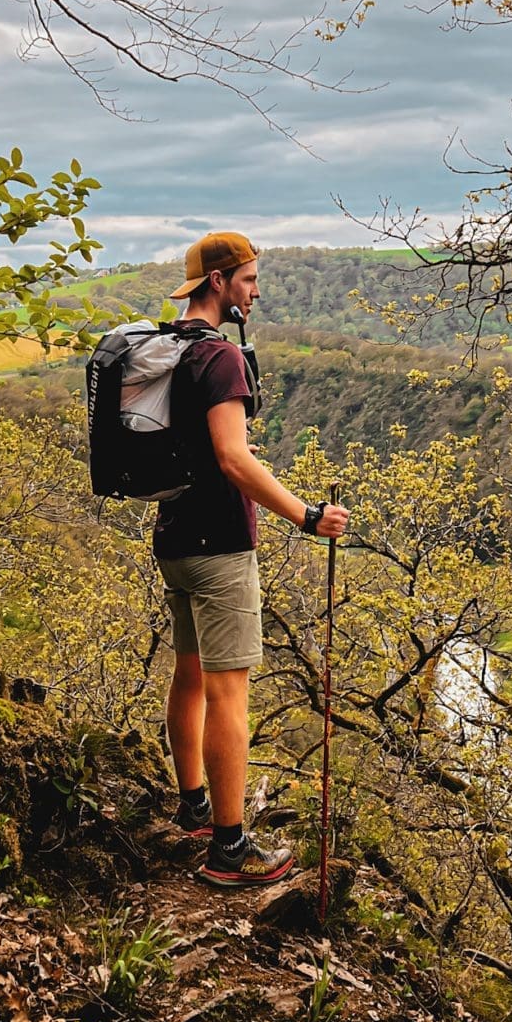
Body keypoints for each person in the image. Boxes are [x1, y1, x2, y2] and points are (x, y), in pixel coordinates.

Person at [156, 231, 349, 887]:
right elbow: (233, 459)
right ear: (219, 282)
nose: (257, 291)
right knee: (228, 692)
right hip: (220, 546)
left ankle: (193, 807)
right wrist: (307, 516)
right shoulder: (221, 359)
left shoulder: (165, 348)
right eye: (249, 280)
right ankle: (231, 853)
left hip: (175, 539)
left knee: (188, 674)